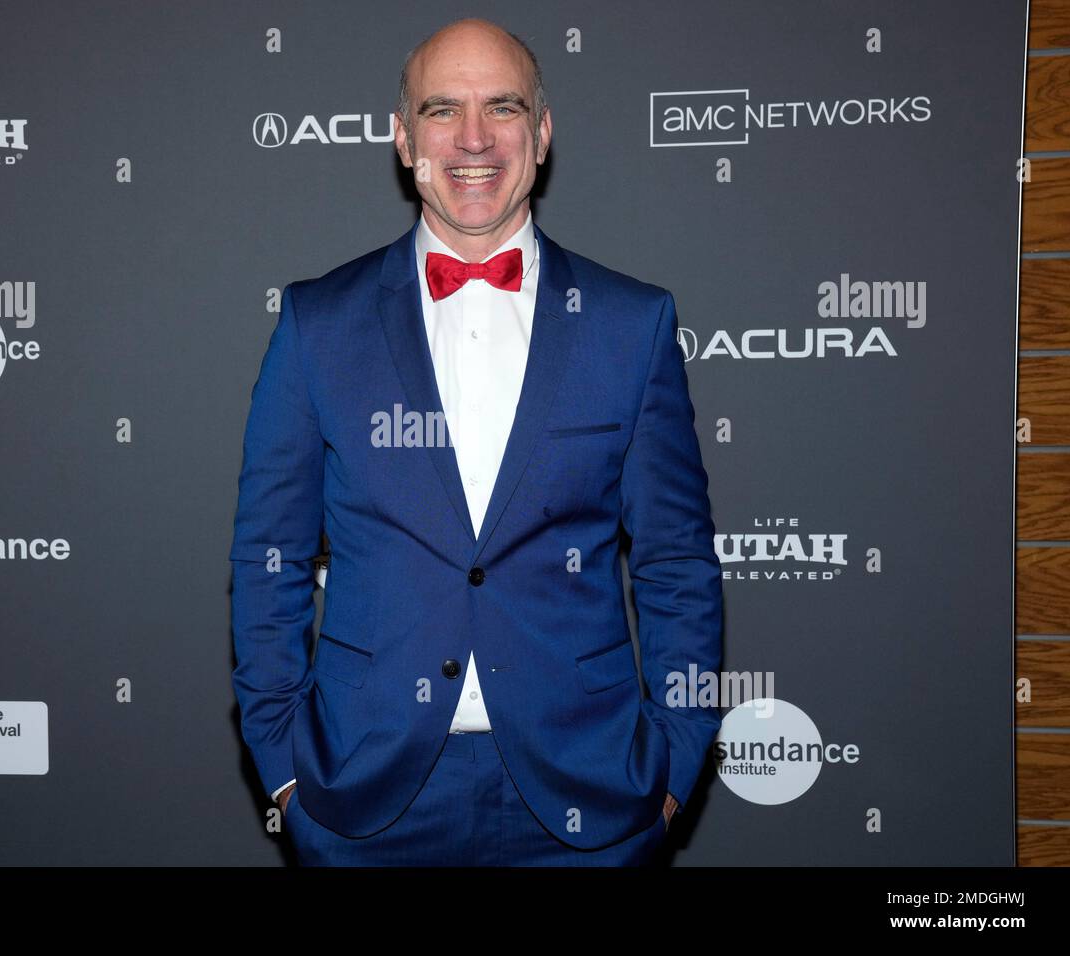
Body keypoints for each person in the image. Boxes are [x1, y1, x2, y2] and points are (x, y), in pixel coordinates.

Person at [229, 16, 723, 866]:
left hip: (590, 794)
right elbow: (267, 556)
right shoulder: (318, 323)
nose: (472, 138)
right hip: (363, 796)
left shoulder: (631, 324)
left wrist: (674, 761)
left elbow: (676, 563)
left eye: (501, 107)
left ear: (542, 131)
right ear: (401, 136)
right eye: (440, 110)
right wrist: (283, 771)